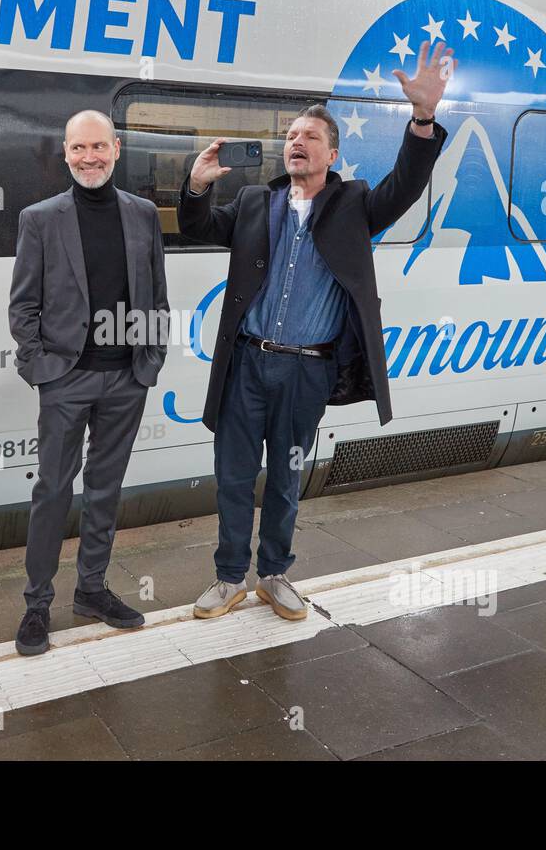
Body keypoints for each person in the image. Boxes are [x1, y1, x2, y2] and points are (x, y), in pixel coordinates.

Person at [179, 41, 455, 622]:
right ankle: (229, 576)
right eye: (291, 137)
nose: (296, 143)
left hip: (307, 370)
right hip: (246, 364)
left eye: (310, 137)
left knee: (285, 475)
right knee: (233, 475)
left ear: (332, 152)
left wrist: (423, 119)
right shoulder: (256, 201)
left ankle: (274, 574)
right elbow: (199, 226)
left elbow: (406, 183)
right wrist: (199, 185)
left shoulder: (355, 204)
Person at [8, 110, 169, 655]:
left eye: (98, 147)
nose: (89, 158)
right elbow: (23, 305)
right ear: (66, 153)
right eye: (78, 149)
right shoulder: (40, 218)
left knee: (105, 489)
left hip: (127, 377)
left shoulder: (143, 214)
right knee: (52, 490)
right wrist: (42, 369)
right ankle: (37, 605)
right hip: (66, 380)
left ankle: (92, 590)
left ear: (117, 149)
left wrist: (152, 355)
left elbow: (158, 295)